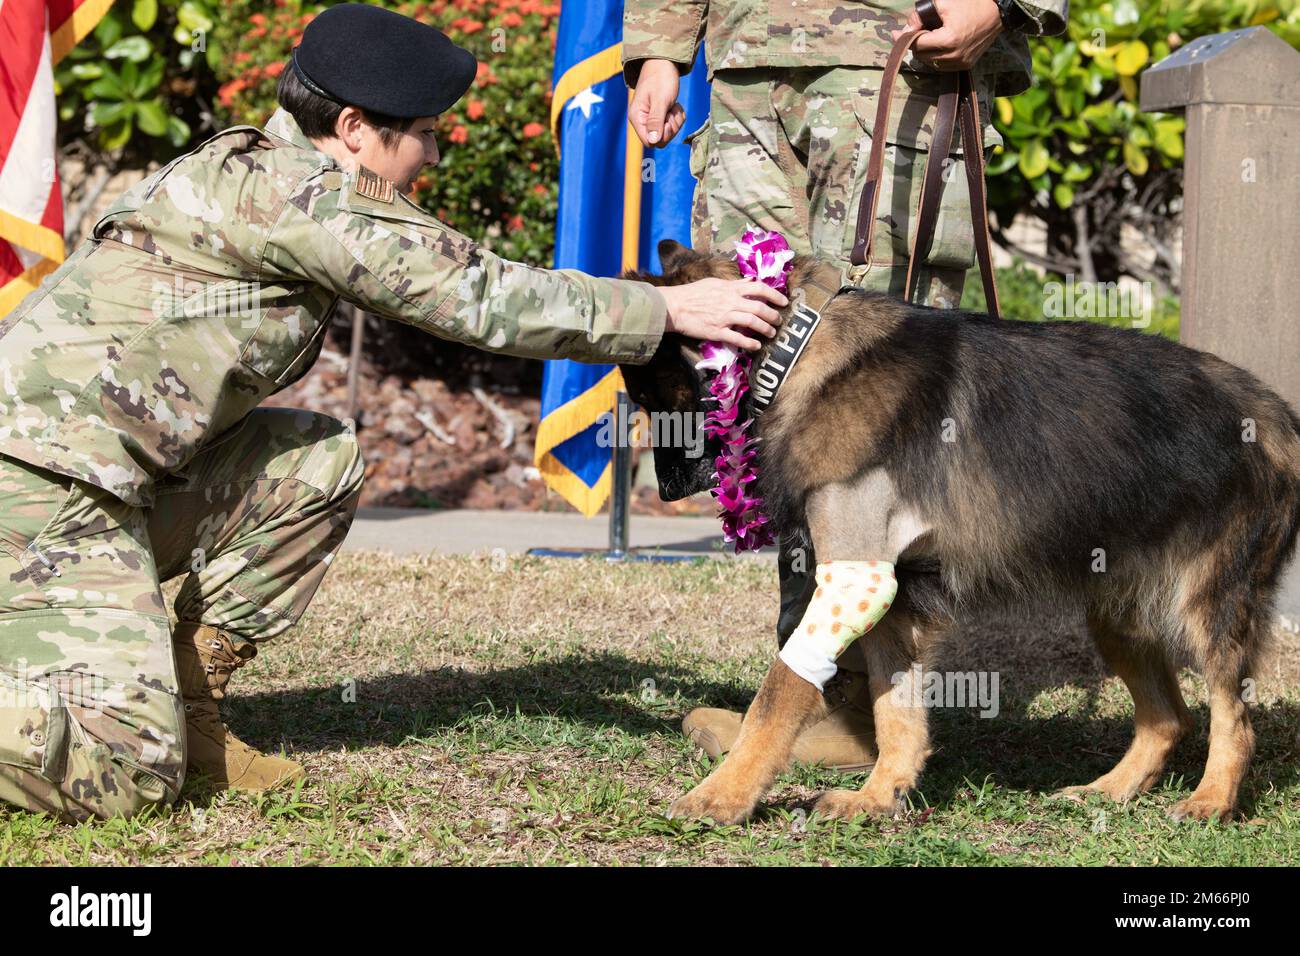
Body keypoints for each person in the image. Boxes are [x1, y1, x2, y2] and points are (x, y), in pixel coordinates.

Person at [0, 3, 787, 822]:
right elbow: (480, 295)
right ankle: (146, 727)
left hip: (106, 479)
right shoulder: (304, 198)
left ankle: (193, 708)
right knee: (125, 772)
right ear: (352, 127)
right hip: (42, 492)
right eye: (424, 133)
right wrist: (666, 312)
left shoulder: (270, 167)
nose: (435, 154)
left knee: (317, 463)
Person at [624, 0, 1068, 769]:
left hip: (893, 52)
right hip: (746, 65)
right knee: (765, 386)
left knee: (883, 406)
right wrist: (661, 48)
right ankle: (821, 697)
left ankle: (874, 713)